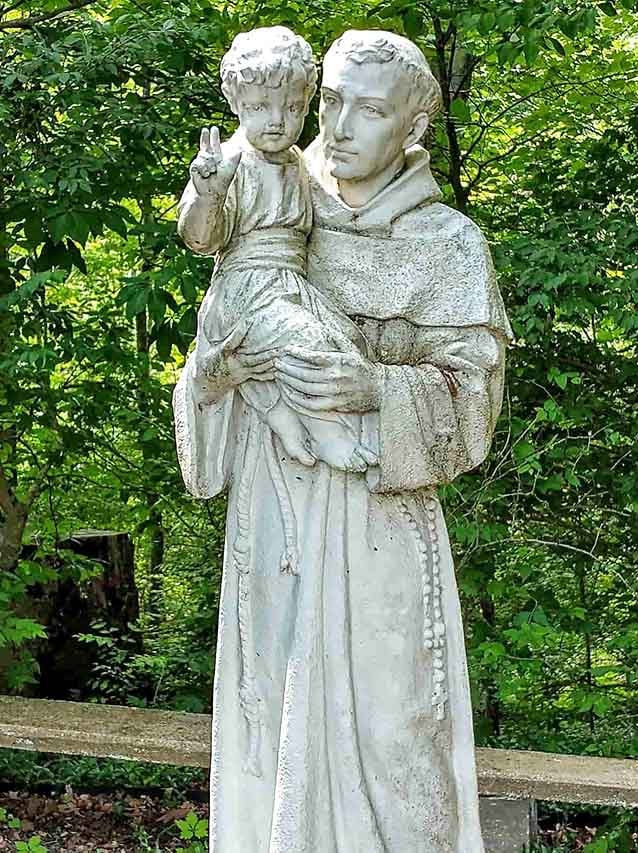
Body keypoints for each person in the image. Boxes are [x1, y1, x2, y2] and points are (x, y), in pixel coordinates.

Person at [173, 27, 513, 853]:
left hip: (381, 527)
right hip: (274, 513)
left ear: (413, 128)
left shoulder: (449, 245)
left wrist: (376, 389)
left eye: (372, 110)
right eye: (332, 102)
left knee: (397, 728)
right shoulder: (270, 202)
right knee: (274, 724)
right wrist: (215, 373)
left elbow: (475, 403)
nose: (344, 124)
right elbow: (205, 365)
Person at [178, 26, 377, 495]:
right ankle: (325, 432)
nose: (276, 121)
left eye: (291, 108)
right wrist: (209, 195)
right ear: (236, 104)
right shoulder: (227, 163)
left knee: (342, 342)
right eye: (260, 108)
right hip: (246, 288)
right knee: (304, 341)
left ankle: (287, 422)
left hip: (290, 285)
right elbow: (201, 239)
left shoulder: (300, 165)